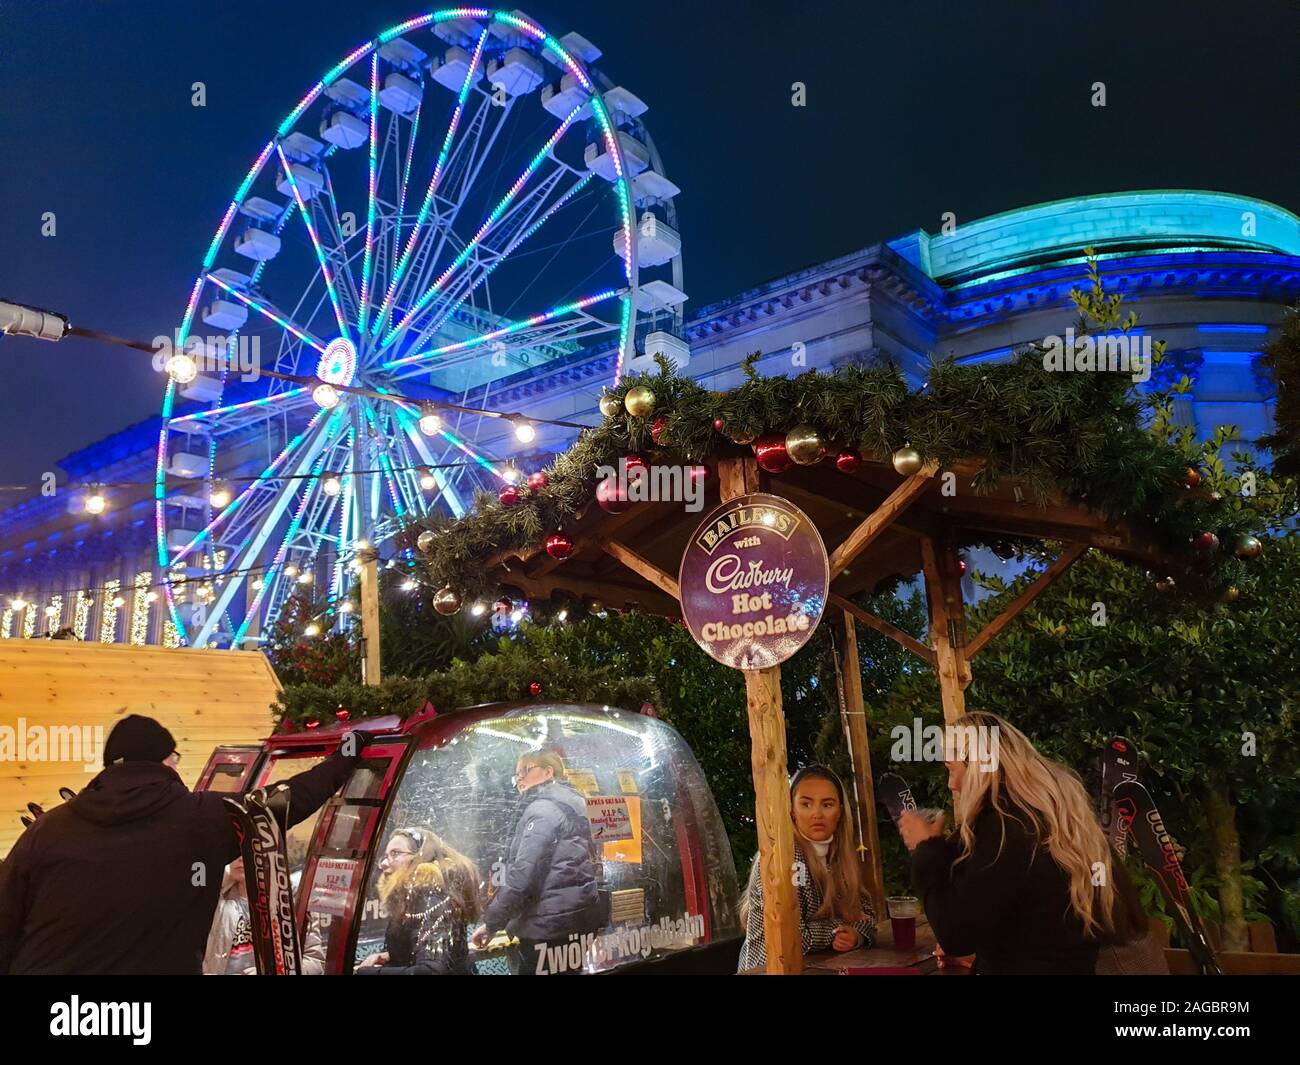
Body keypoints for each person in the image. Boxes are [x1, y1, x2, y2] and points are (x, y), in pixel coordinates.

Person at [0, 714, 369, 975]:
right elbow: (288, 800)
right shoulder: (202, 818)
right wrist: (345, 757)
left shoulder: (48, 828)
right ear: (165, 762)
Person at [897, 711, 1120, 975]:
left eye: (952, 770)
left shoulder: (1004, 827)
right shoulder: (1054, 817)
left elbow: (955, 933)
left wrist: (927, 847)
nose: (952, 784)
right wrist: (987, 953)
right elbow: (1029, 916)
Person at [471, 749, 605, 975]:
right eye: (517, 773)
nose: (520, 777)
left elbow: (523, 876)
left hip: (547, 928)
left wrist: (492, 923)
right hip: (579, 919)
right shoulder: (578, 804)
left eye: (526, 770)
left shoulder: (542, 810)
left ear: (548, 772)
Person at [737, 765, 876, 971]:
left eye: (827, 805)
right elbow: (793, 936)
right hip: (768, 970)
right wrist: (838, 928)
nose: (817, 814)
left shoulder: (840, 857)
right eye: (806, 804)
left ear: (840, 812)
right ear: (792, 811)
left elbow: (869, 918)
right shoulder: (784, 858)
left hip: (820, 968)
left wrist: (856, 936)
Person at [356, 827, 480, 975]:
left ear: (419, 857)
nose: (384, 863)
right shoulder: (413, 896)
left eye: (395, 853)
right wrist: (387, 956)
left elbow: (432, 970)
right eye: (385, 856)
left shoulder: (430, 898)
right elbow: (420, 948)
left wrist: (369, 973)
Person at [203, 859, 327, 975]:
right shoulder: (214, 899)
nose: (239, 858)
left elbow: (314, 962)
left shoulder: (294, 903)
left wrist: (273, 972)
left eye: (246, 849)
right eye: (234, 853)